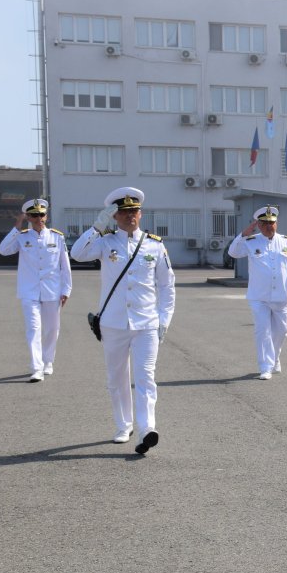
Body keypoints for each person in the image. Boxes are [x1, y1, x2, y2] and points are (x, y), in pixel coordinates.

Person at [70, 186, 175, 455]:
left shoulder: (155, 244)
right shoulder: (105, 242)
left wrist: (164, 319)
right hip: (114, 323)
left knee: (145, 377)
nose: (130, 216)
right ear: (114, 216)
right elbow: (77, 254)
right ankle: (123, 425)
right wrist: (96, 226)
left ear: (141, 214)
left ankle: (147, 429)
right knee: (116, 378)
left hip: (147, 323)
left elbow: (166, 286)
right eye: (124, 212)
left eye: (134, 211)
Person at [228, 206, 287, 380]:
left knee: (282, 331)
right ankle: (265, 366)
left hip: (281, 296)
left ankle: (274, 358)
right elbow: (233, 252)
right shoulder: (251, 241)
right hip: (259, 296)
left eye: (272, 223)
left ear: (276, 223)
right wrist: (244, 234)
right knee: (263, 331)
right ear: (258, 225)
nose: (269, 226)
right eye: (264, 224)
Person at [0, 198, 72, 382]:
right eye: (34, 215)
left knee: (52, 329)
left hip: (52, 290)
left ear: (46, 217)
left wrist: (66, 289)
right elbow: (3, 250)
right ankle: (36, 367)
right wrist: (17, 225)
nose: (39, 218)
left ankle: (48, 361)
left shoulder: (57, 237)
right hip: (29, 290)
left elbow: (65, 266)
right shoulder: (22, 237)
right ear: (28, 218)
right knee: (33, 328)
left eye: (41, 214)